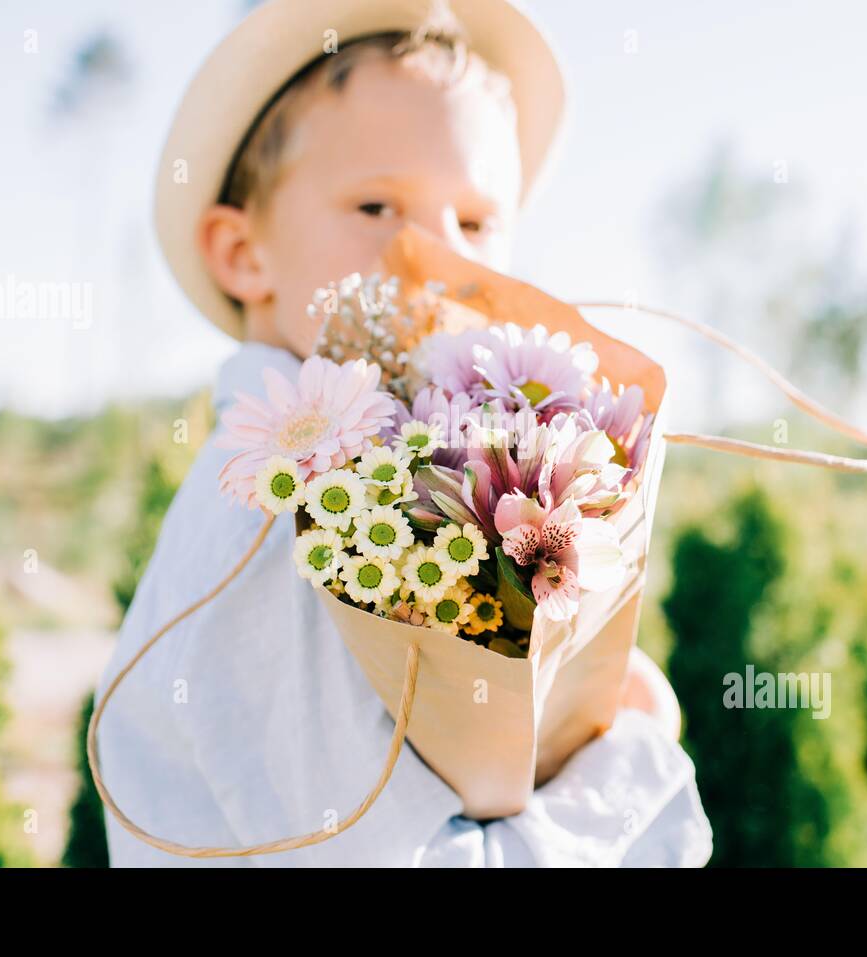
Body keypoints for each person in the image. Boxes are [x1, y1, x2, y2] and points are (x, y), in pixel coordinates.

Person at [95, 0, 713, 867]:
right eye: (377, 205)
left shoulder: (396, 491)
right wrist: (635, 752)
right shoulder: (291, 528)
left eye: (477, 220)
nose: (435, 256)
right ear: (242, 254)